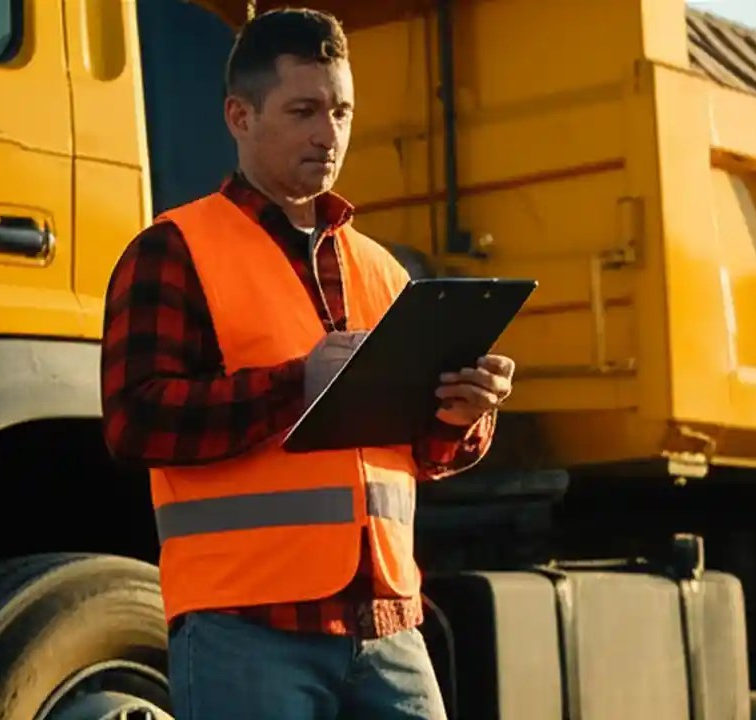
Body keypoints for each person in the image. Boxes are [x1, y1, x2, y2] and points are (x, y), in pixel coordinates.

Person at [99, 7, 515, 719]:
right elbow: (135, 423)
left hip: (388, 626)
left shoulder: (383, 271)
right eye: (304, 110)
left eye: (342, 111)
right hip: (246, 631)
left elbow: (417, 452)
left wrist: (465, 417)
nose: (329, 134)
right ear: (240, 116)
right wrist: (298, 385)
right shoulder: (173, 250)